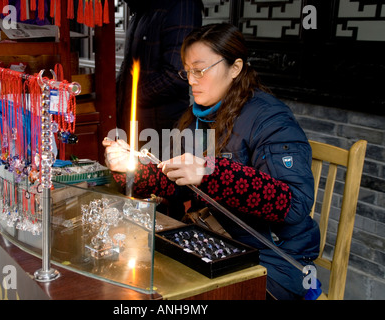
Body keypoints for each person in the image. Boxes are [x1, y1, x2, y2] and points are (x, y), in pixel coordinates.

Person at [104, 23, 320, 300]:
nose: (191, 80)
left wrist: (211, 173)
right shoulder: (197, 118)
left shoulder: (270, 119)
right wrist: (132, 168)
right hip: (217, 244)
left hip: (273, 258)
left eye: (200, 70)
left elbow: (294, 204)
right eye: (187, 71)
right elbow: (180, 187)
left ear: (235, 68)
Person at [116, 0, 203, 140]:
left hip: (159, 127)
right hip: (131, 120)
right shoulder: (143, 9)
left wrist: (130, 97)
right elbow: (129, 65)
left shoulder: (181, 5)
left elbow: (176, 75)